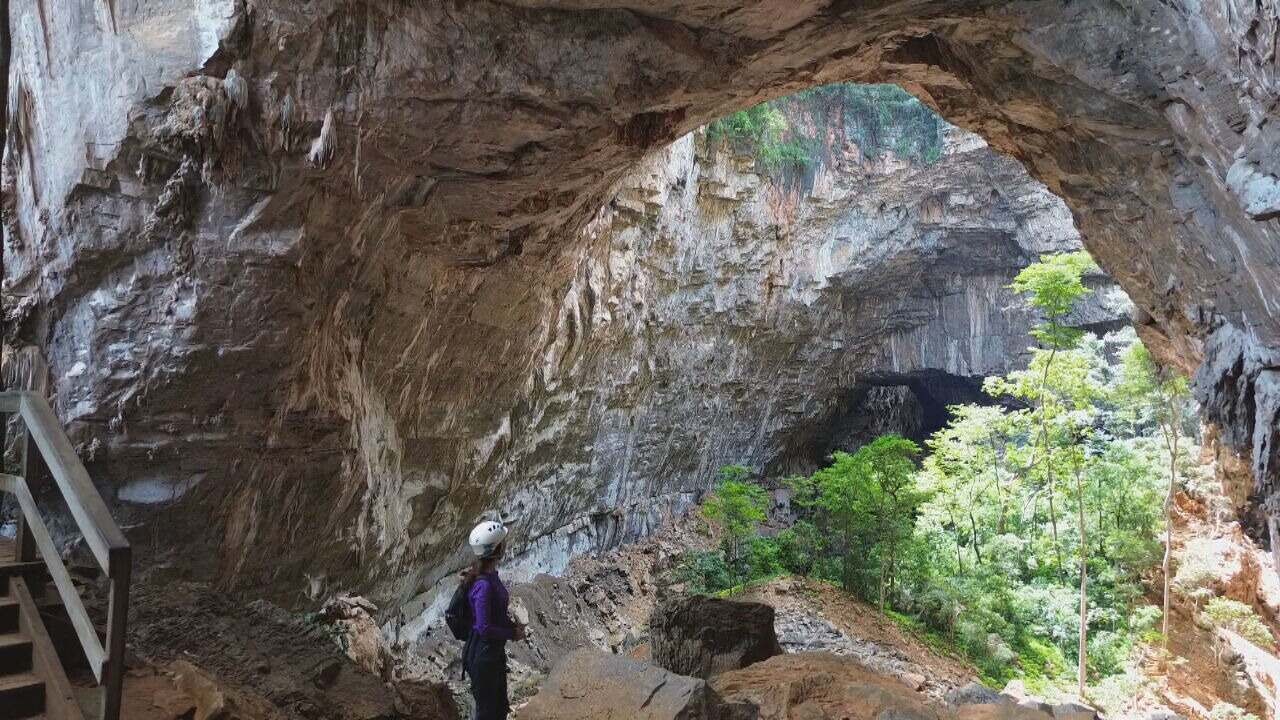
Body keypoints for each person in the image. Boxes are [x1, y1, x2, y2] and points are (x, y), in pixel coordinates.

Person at [462, 519, 526, 720]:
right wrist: (511, 633)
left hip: (491, 654)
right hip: (484, 656)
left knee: (498, 709)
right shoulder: (485, 586)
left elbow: (492, 616)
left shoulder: (489, 577)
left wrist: (509, 626)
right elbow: (484, 627)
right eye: (503, 542)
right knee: (488, 712)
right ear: (496, 549)